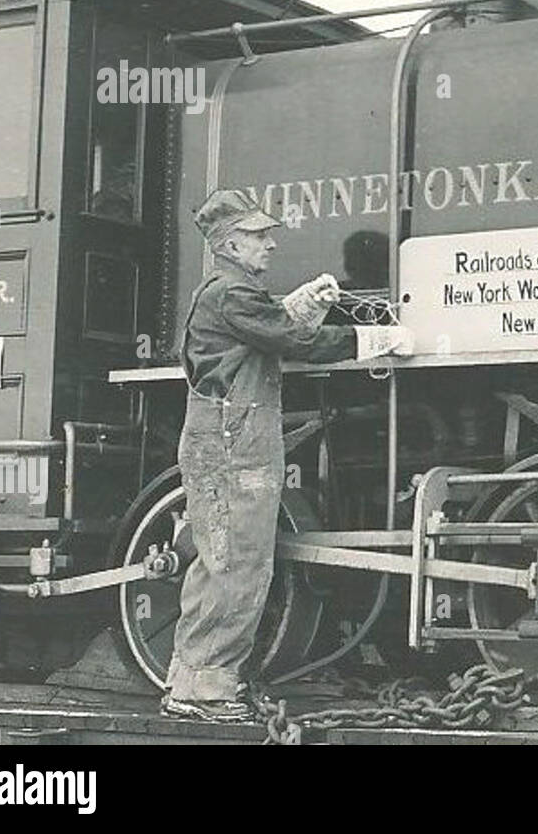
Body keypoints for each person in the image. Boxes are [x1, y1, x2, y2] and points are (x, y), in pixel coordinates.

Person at [162, 188, 410, 723]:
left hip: (228, 437)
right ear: (229, 245)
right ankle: (204, 690)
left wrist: (309, 301)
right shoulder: (231, 294)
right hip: (234, 442)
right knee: (239, 565)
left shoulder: (230, 294)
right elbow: (293, 341)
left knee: (222, 561)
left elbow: (273, 325)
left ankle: (194, 681)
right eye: (259, 236)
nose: (270, 244)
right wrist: (376, 340)